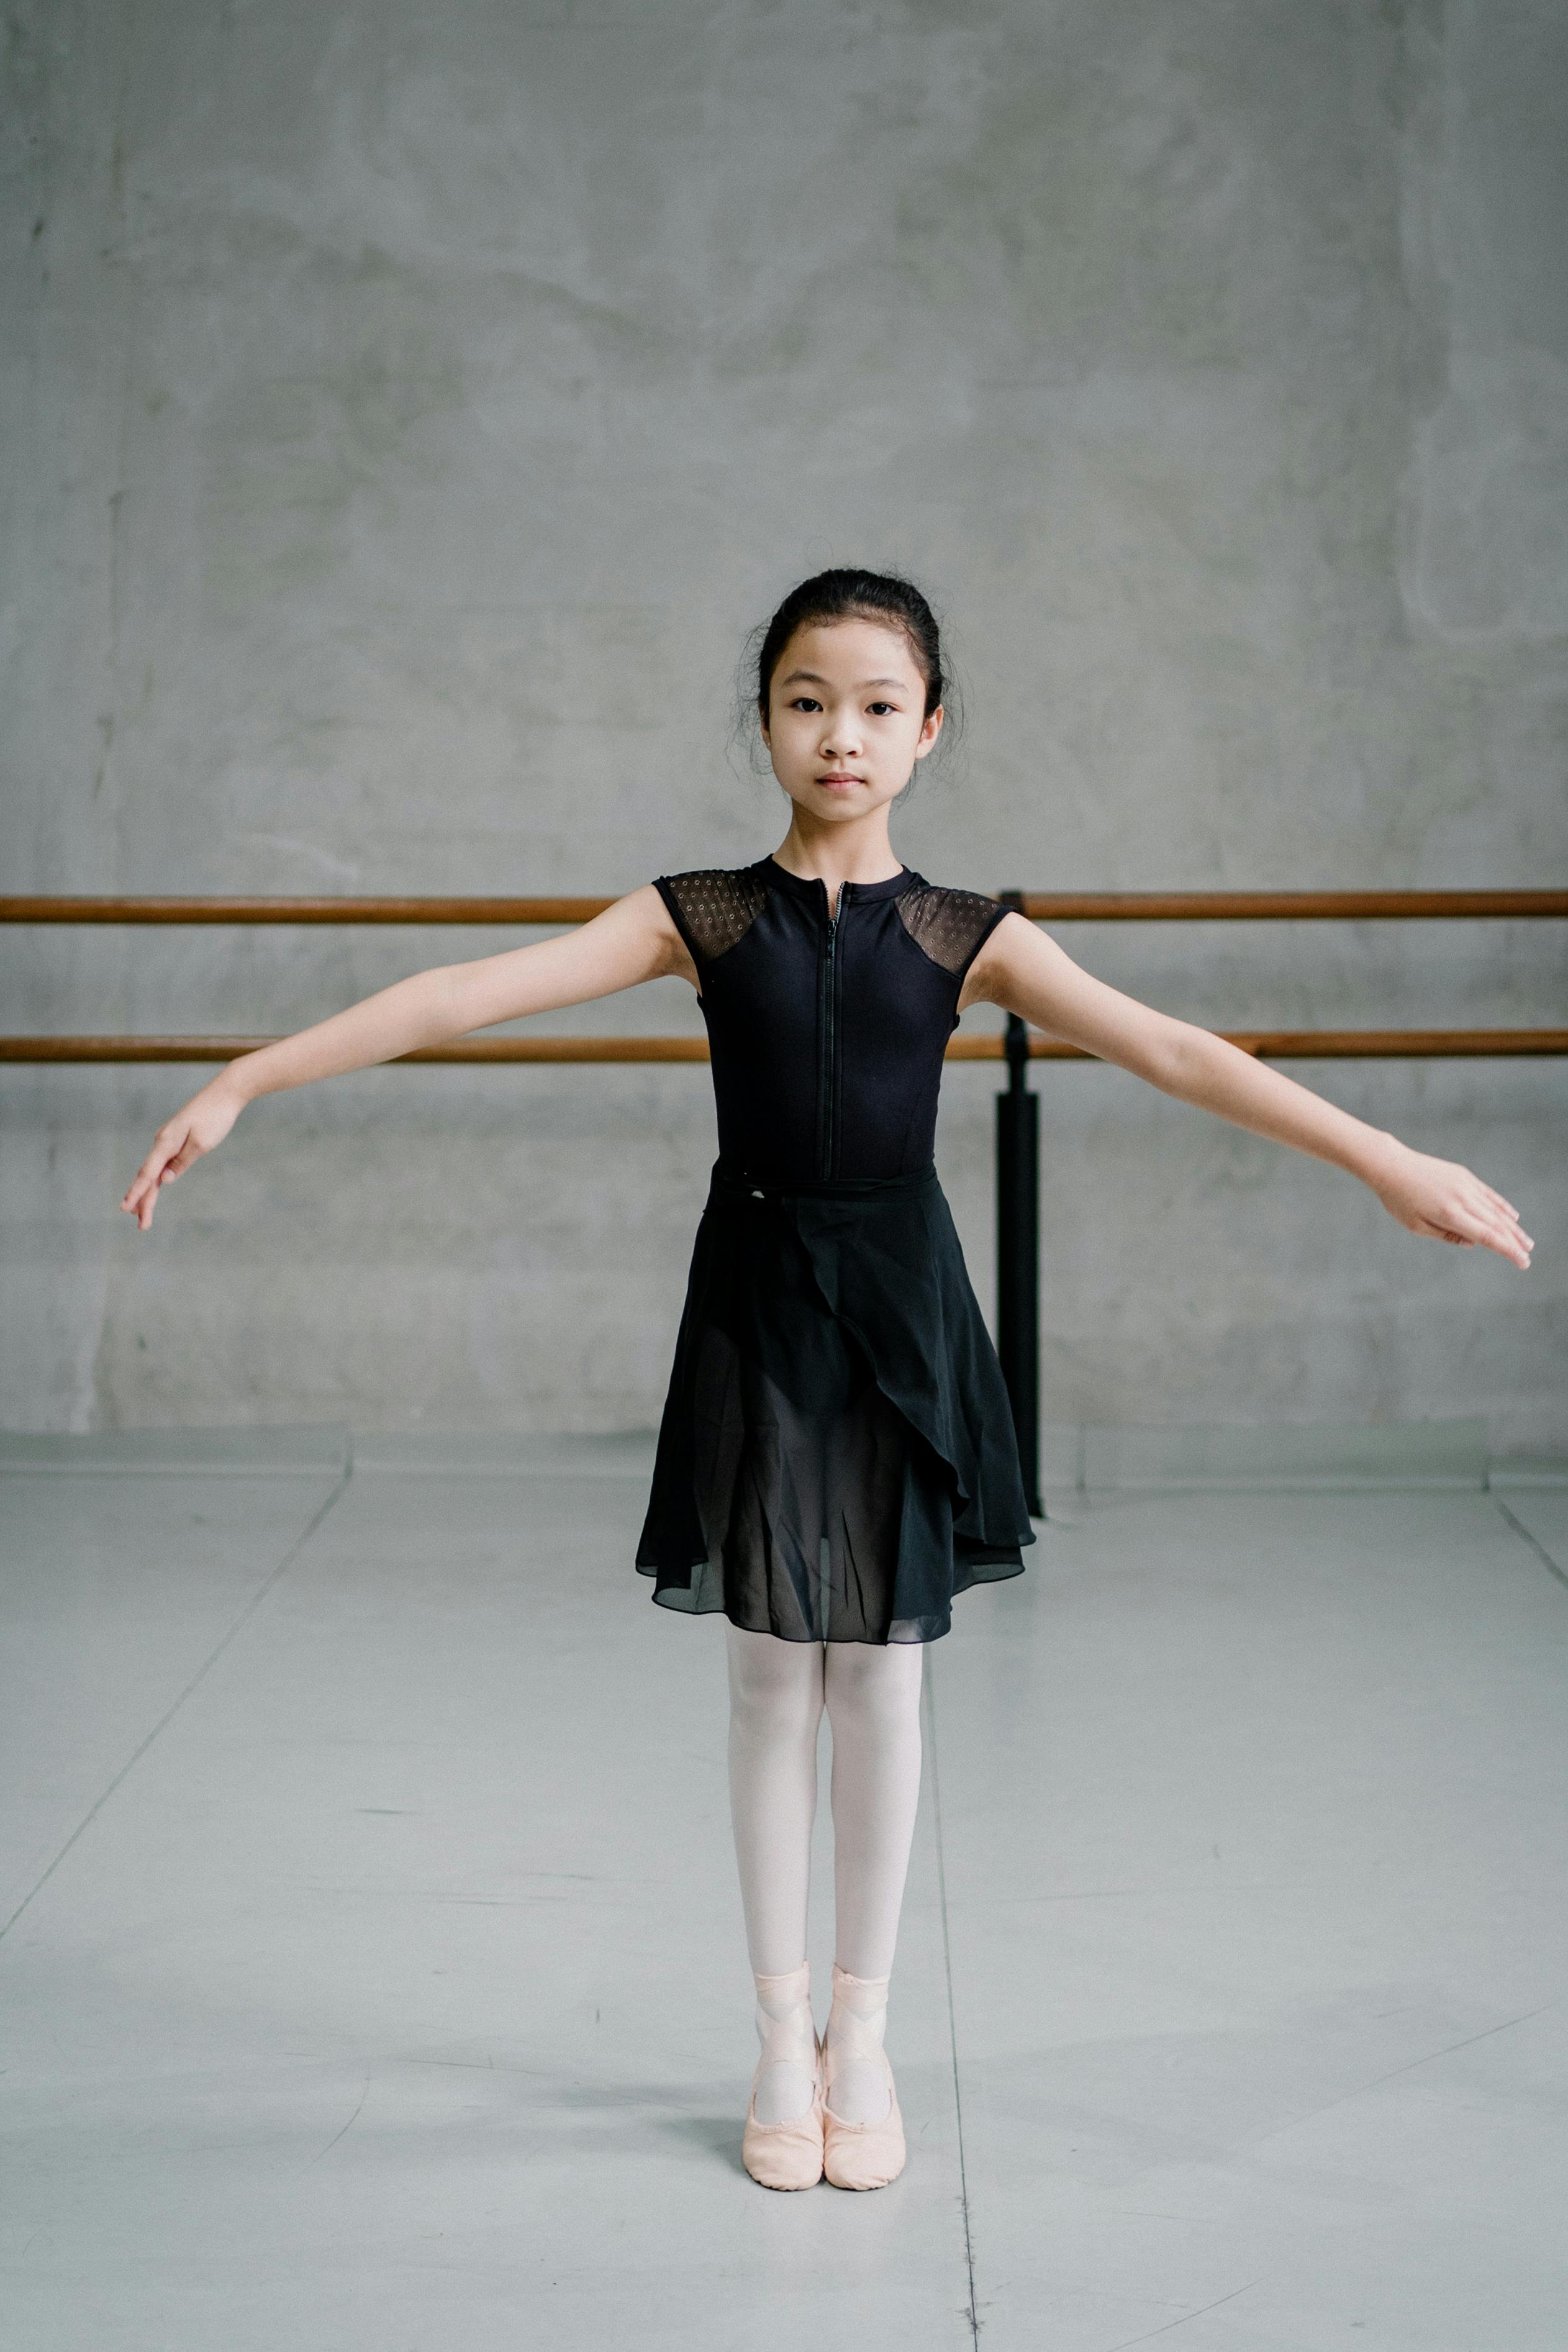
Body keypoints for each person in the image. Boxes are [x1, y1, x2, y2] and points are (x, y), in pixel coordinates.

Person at [120, 566, 1532, 2195]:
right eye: (806, 700)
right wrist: (245, 1078)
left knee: (885, 1674)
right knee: (766, 1674)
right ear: (767, 723)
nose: (840, 734)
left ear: (929, 731)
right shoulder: (702, 917)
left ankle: (865, 2032)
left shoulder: (964, 934)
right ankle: (777, 2032)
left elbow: (1178, 1050)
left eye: (876, 706)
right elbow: (460, 992)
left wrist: (1381, 1159)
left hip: (905, 1315)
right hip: (759, 1310)